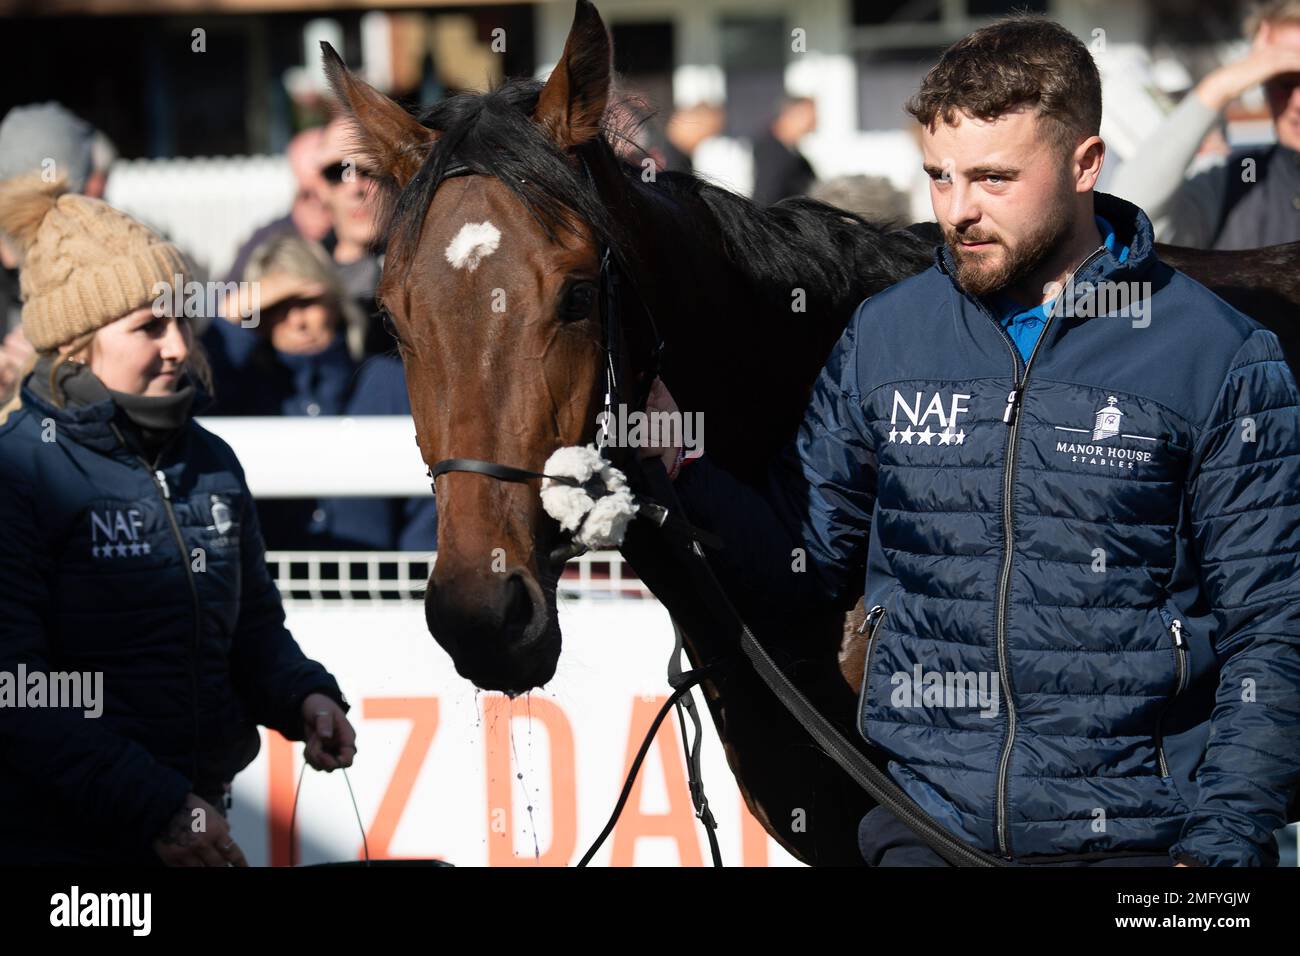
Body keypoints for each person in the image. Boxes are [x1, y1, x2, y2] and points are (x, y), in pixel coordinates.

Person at [643, 15, 1300, 867]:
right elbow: (800, 569)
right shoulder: (885, 336)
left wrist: (1223, 847)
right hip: (923, 832)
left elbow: (1273, 632)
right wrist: (677, 465)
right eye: (939, 177)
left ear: (1086, 164)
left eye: (993, 178)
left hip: (1144, 846)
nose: (957, 211)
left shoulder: (1218, 353)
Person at [0, 175, 356, 865]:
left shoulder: (211, 459)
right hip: (61, 840)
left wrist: (304, 694)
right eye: (147, 326)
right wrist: (152, 804)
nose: (176, 345)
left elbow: (252, 627)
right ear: (75, 346)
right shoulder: (21, 473)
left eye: (178, 319)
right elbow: (16, 689)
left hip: (197, 820)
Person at [205, 233, 363, 549]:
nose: (297, 320)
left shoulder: (384, 382)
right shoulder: (243, 391)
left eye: (306, 302)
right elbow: (192, 390)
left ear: (333, 302)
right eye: (277, 307)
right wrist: (233, 313)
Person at [1108, 0, 1300, 248]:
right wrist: (1217, 90)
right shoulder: (1233, 181)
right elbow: (1128, 219)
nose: (1297, 102)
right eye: (1282, 80)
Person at [224, 127, 333, 284]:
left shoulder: (353, 239)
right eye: (308, 195)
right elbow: (224, 300)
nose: (320, 200)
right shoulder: (266, 240)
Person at [750, 95, 818, 207]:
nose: (814, 122)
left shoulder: (794, 155)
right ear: (792, 114)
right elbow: (766, 196)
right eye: (809, 116)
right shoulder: (771, 151)